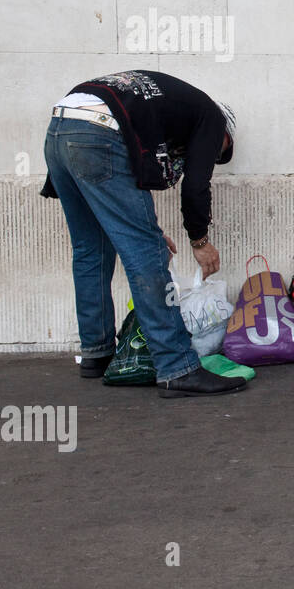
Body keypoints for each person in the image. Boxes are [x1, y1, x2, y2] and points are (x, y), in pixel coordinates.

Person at [42, 70, 246, 398]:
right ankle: (177, 367)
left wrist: (149, 231)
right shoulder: (211, 117)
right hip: (98, 133)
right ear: (225, 134)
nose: (214, 157)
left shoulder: (162, 109)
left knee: (90, 248)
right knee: (147, 256)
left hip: (61, 128)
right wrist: (200, 241)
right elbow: (196, 187)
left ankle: (96, 352)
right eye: (220, 152)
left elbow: (129, 183)